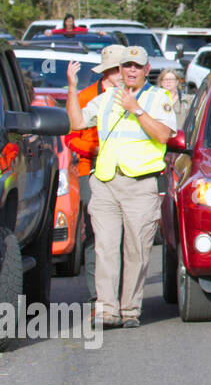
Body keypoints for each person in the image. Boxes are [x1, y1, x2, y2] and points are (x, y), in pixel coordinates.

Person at [65, 46, 176, 329]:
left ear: (146, 70)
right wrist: (71, 88)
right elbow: (76, 122)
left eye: (136, 66)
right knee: (105, 247)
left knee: (136, 249)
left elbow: (164, 134)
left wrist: (136, 110)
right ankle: (106, 310)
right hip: (105, 181)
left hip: (140, 184)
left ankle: (129, 309)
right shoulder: (105, 99)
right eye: (126, 66)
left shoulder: (157, 98)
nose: (130, 71)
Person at [66, 48, 124, 303]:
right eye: (119, 68)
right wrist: (96, 149)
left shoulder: (136, 97)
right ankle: (96, 295)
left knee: (125, 231)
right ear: (108, 72)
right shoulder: (87, 97)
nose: (124, 73)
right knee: (95, 231)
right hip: (90, 168)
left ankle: (121, 291)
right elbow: (70, 136)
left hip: (126, 169)